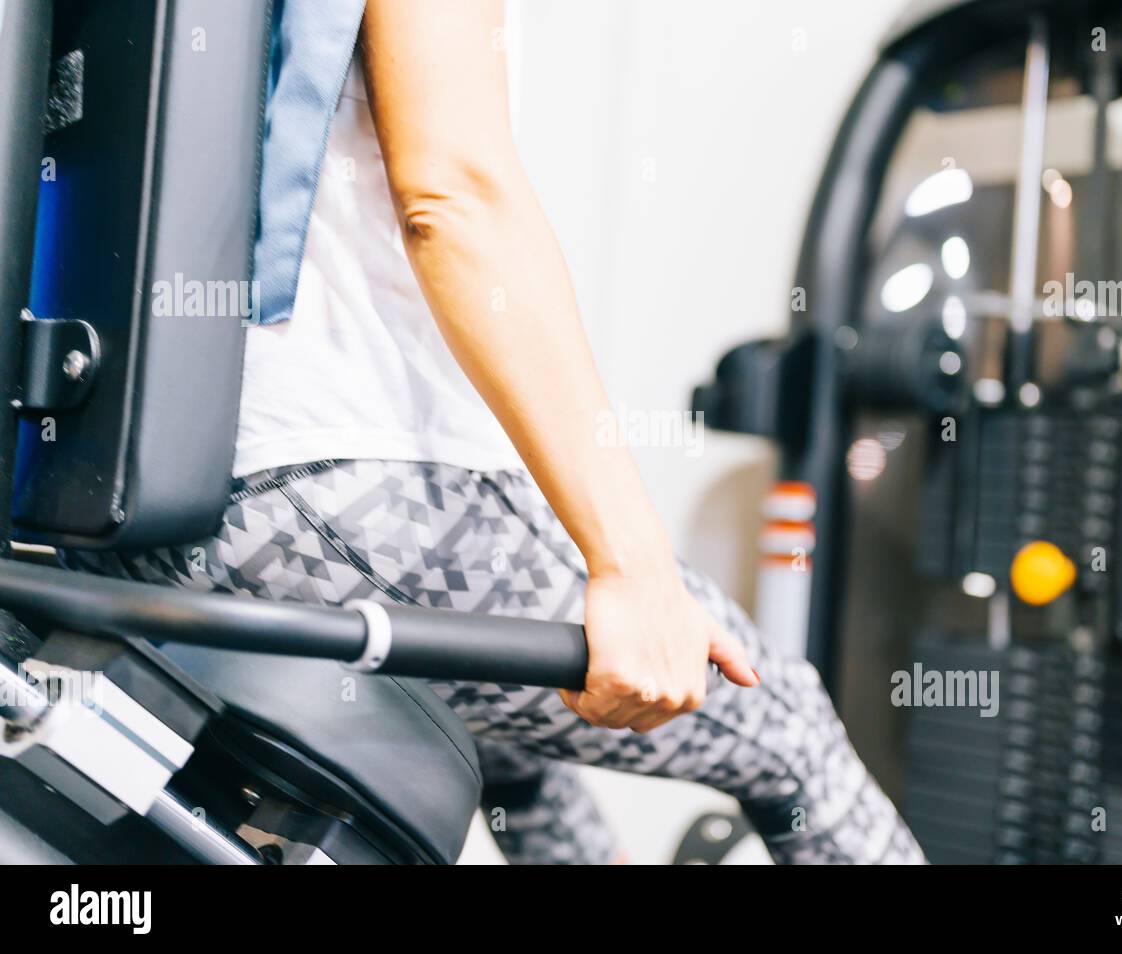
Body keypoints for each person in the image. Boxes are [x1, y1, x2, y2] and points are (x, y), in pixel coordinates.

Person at [71, 0, 923, 864]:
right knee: (793, 736)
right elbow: (455, 196)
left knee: (518, 760)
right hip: (333, 486)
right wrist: (634, 568)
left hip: (127, 514)